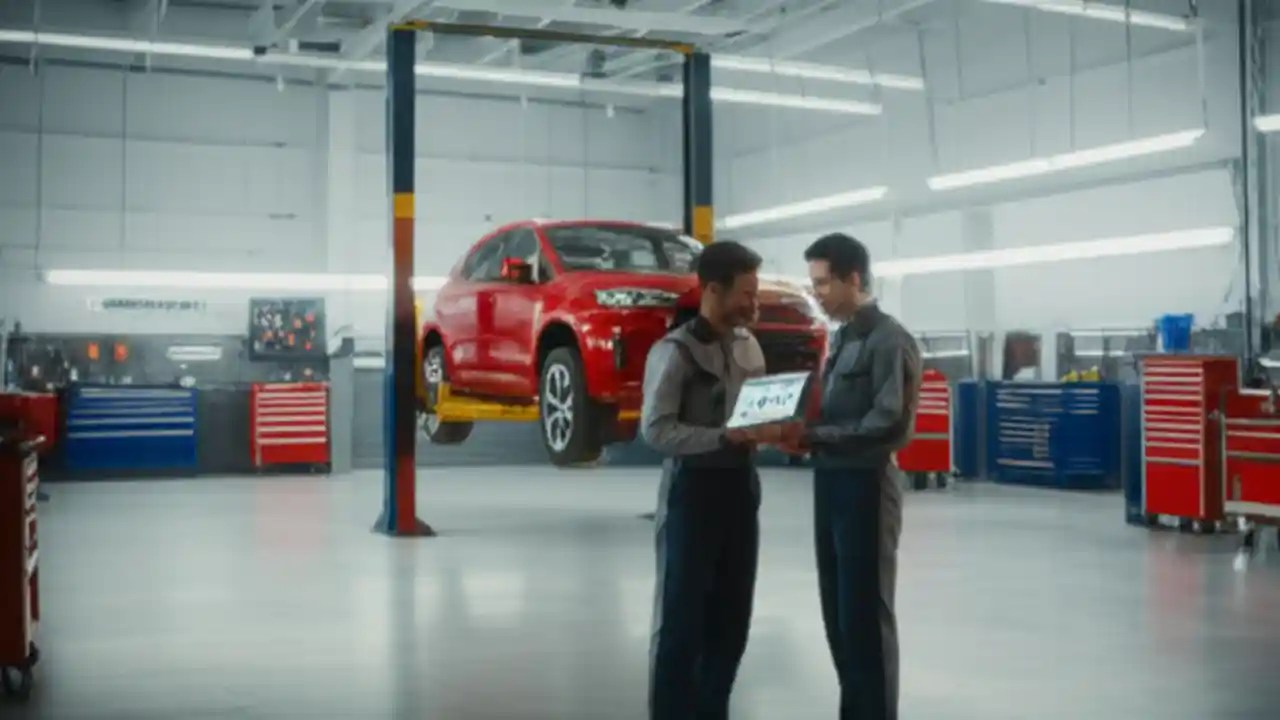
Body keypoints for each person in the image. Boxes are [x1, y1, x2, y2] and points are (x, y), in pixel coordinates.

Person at [641, 240, 796, 720]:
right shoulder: (674, 352)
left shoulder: (750, 346)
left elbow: (755, 414)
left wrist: (776, 430)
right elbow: (655, 429)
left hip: (740, 491)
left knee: (731, 623)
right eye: (746, 294)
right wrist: (722, 438)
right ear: (711, 289)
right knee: (681, 626)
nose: (754, 304)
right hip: (693, 492)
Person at [781, 233, 921, 720]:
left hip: (866, 486)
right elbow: (833, 408)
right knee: (838, 617)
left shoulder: (891, 339)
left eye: (822, 283)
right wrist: (802, 431)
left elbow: (888, 423)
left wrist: (818, 437)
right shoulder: (840, 339)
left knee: (865, 617)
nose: (816, 293)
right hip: (831, 483)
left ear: (853, 279)